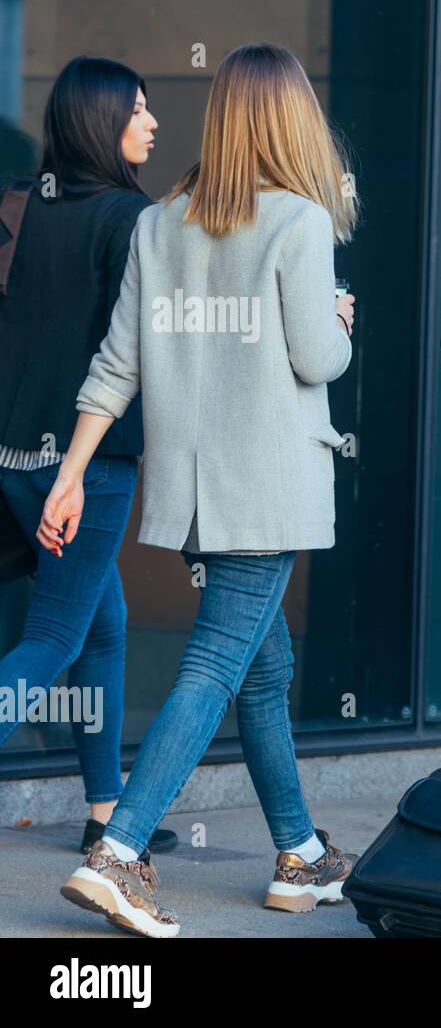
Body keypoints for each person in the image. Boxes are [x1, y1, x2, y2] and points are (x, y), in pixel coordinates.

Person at [43, 43, 359, 938]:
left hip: (192, 491)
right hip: (266, 486)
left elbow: (117, 367)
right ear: (290, 121)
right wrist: (340, 319)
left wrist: (70, 473)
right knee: (222, 659)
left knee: (263, 667)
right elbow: (316, 359)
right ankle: (119, 852)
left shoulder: (161, 222)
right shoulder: (298, 224)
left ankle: (299, 854)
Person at [0, 56, 178, 855]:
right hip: (85, 465)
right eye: (137, 110)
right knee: (56, 638)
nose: (151, 123)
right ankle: (110, 823)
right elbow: (127, 355)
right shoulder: (129, 219)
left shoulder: (40, 209)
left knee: (104, 626)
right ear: (101, 124)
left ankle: (106, 816)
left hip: (18, 454)